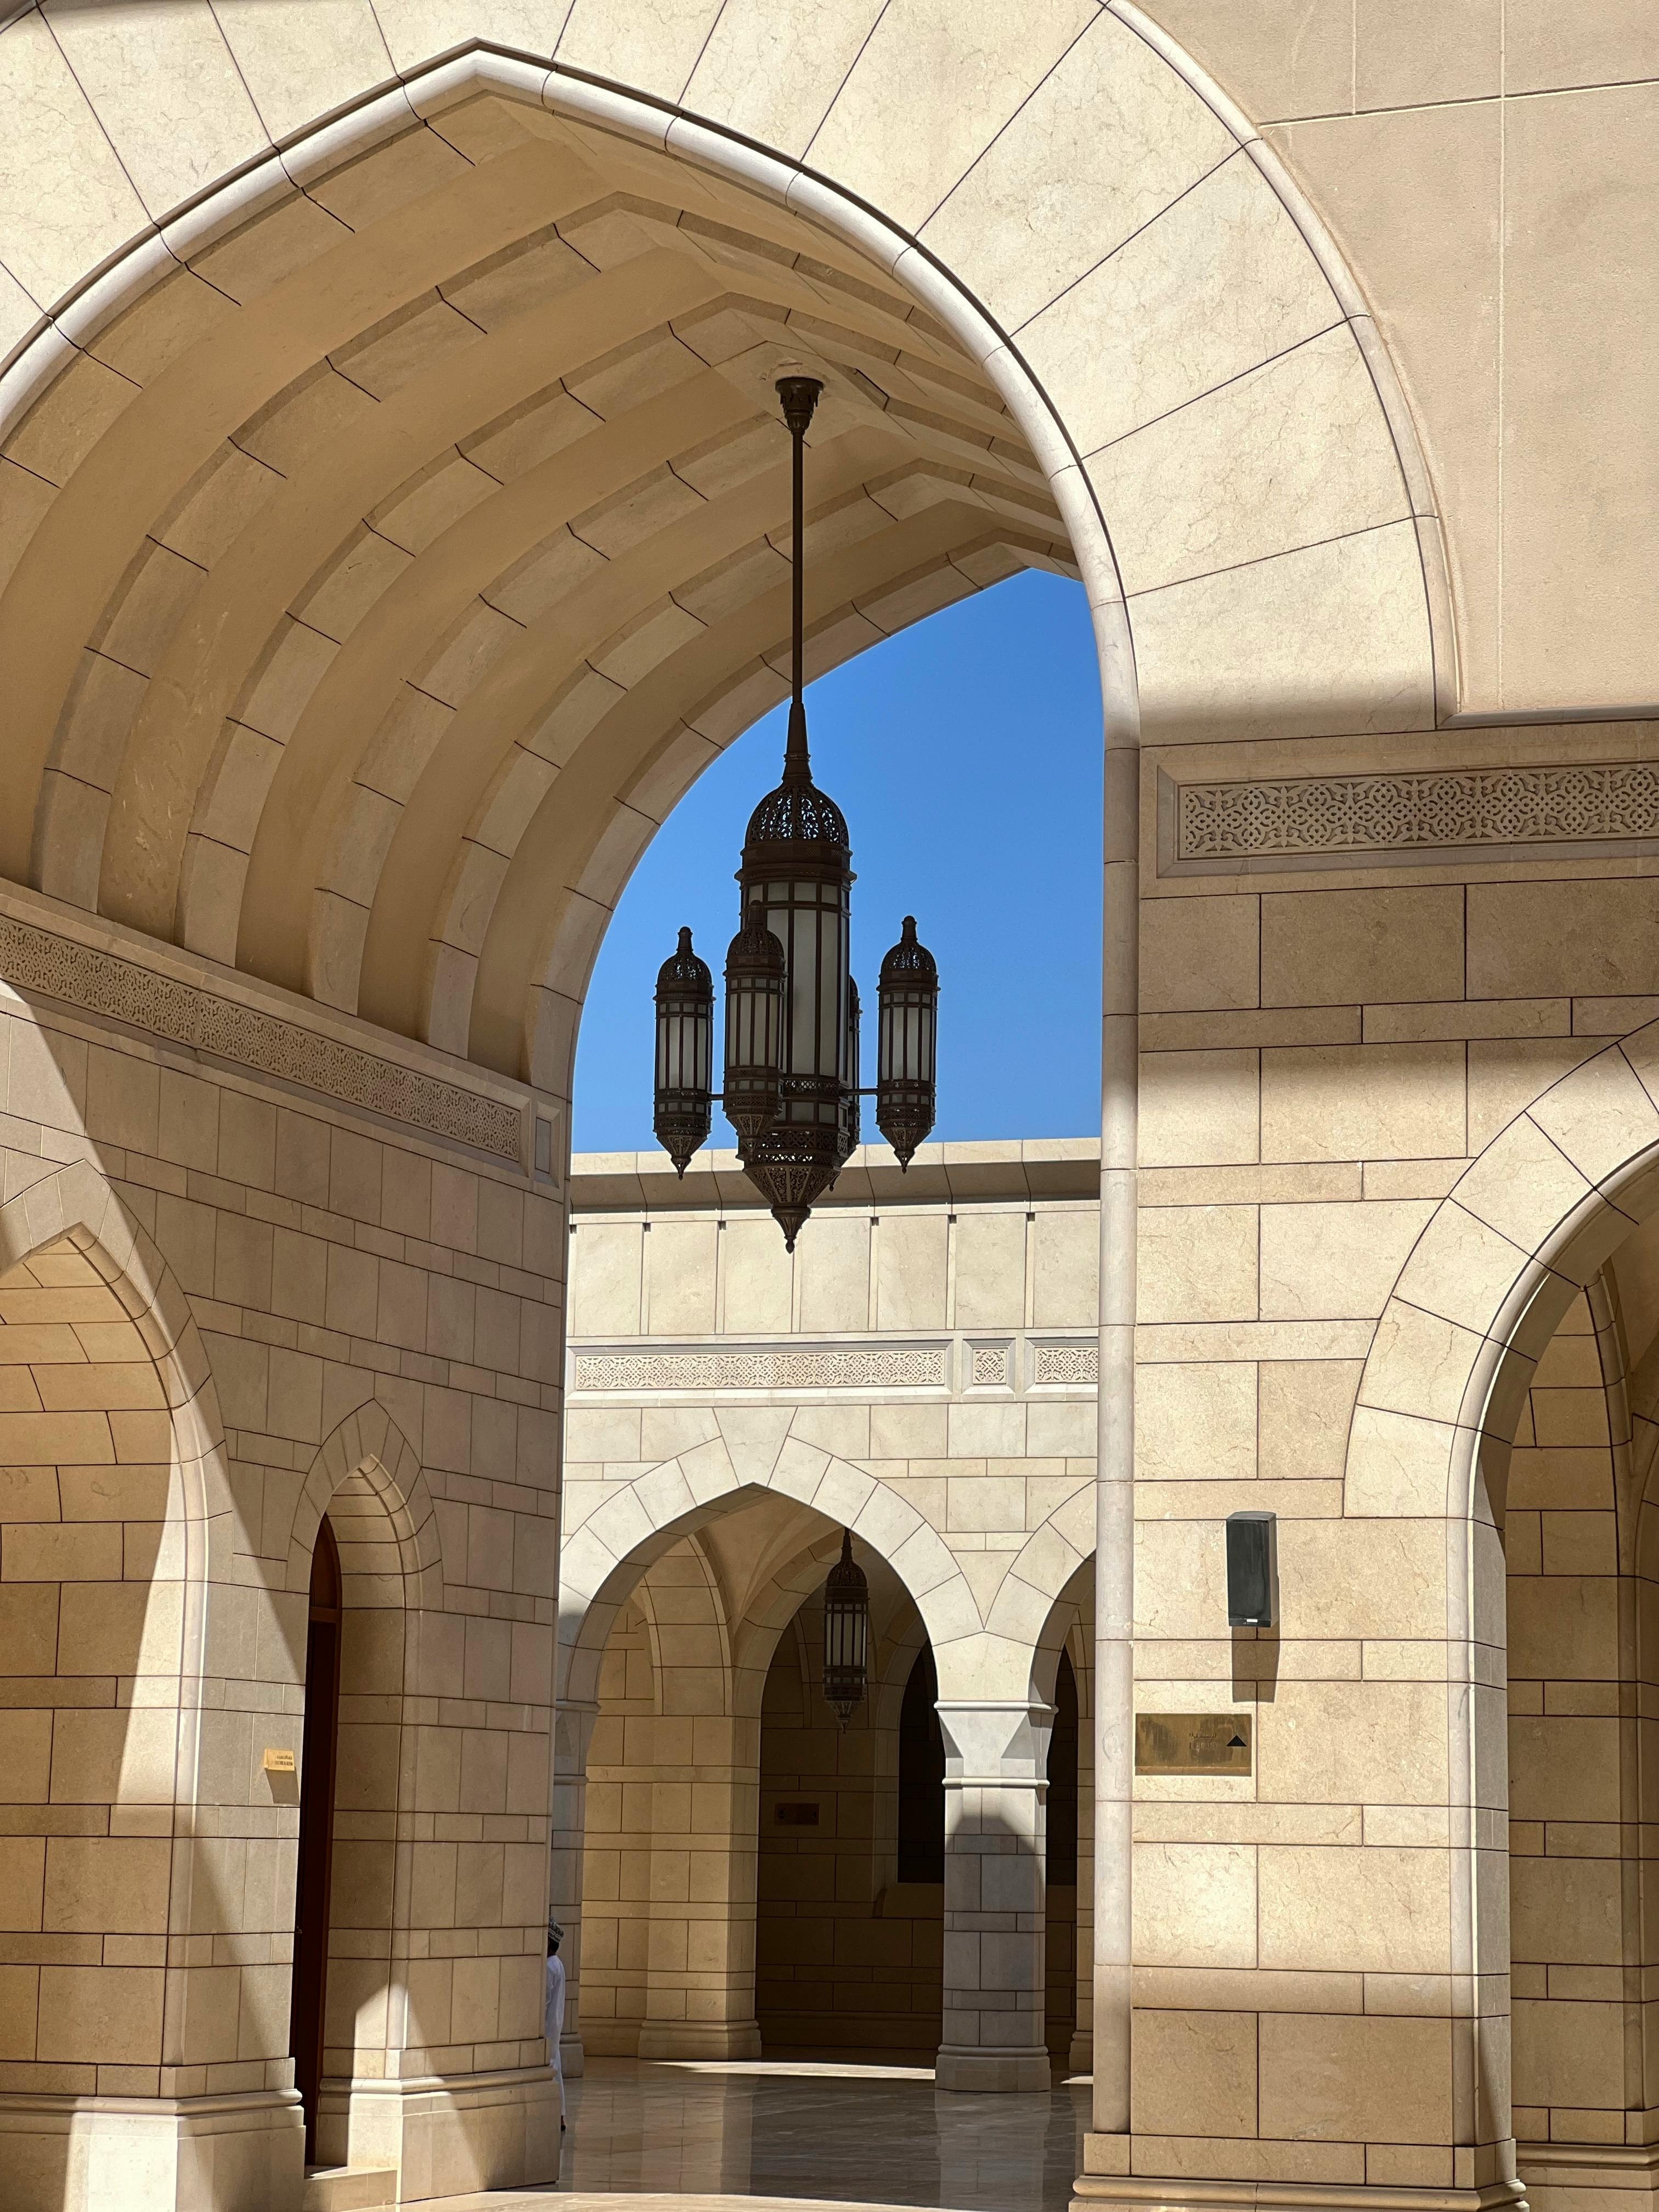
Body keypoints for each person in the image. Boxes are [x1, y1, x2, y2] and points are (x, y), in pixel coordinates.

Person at [545, 1922, 567, 2130]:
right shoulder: (557, 1964)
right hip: (555, 2024)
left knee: (552, 2066)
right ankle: (560, 2115)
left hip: (547, 2025)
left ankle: (554, 2114)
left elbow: (543, 1998)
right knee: (556, 2066)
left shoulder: (550, 1966)